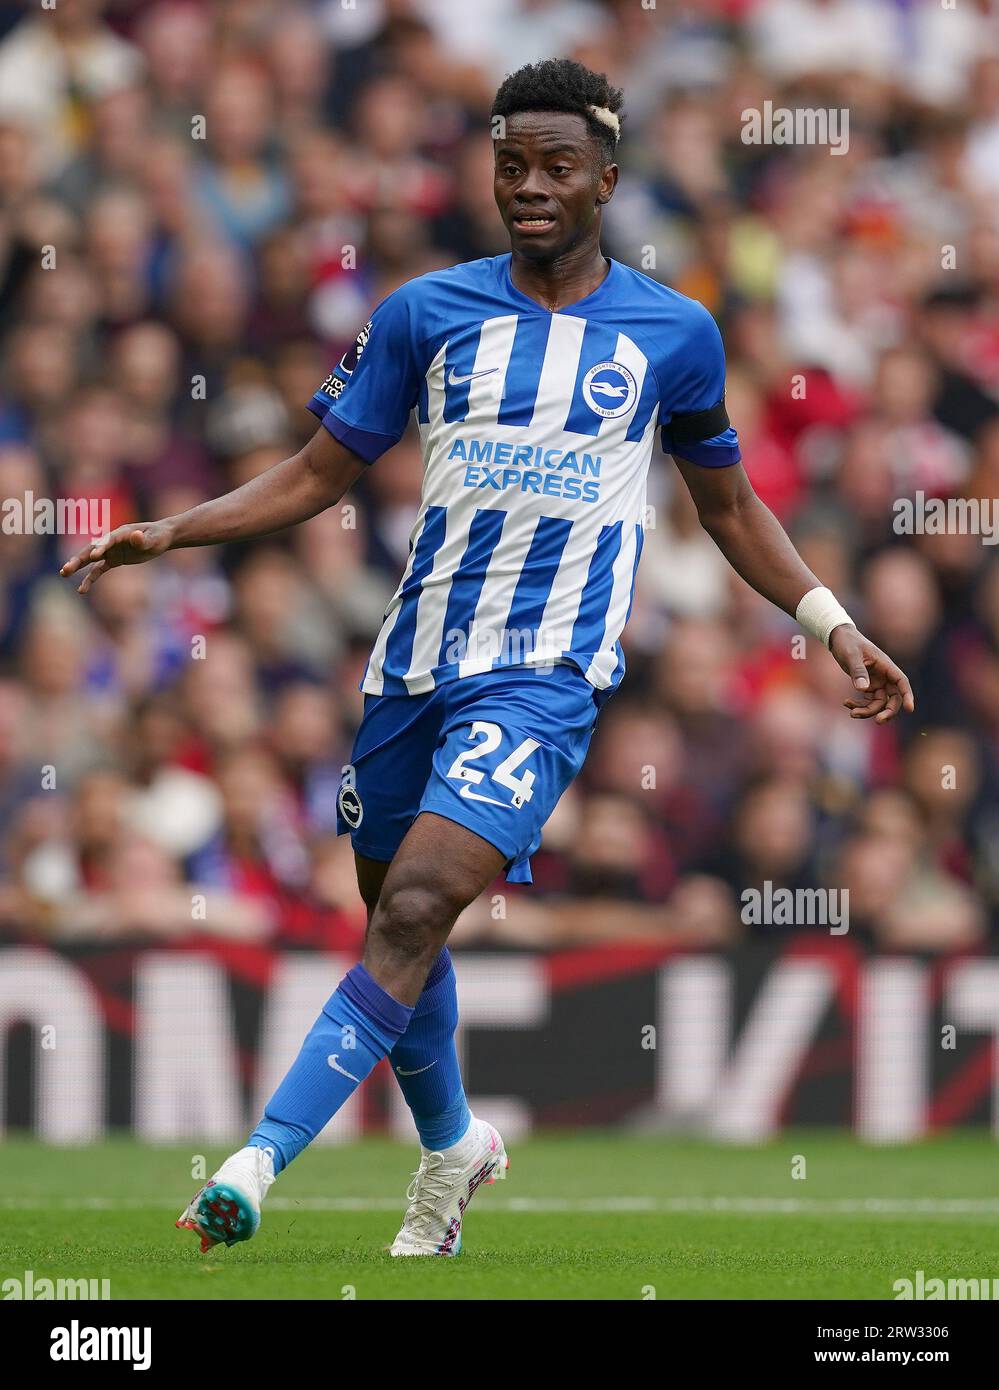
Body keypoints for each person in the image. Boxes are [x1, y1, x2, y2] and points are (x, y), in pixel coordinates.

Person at [61, 58, 914, 1258]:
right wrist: (174, 527)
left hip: (544, 680)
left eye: (558, 165)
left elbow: (728, 511)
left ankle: (254, 1166)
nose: (530, 186)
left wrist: (829, 620)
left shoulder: (675, 335)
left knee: (412, 906)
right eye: (512, 163)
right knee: (396, 926)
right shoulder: (424, 312)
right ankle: (455, 1145)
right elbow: (317, 472)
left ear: (607, 180)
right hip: (411, 670)